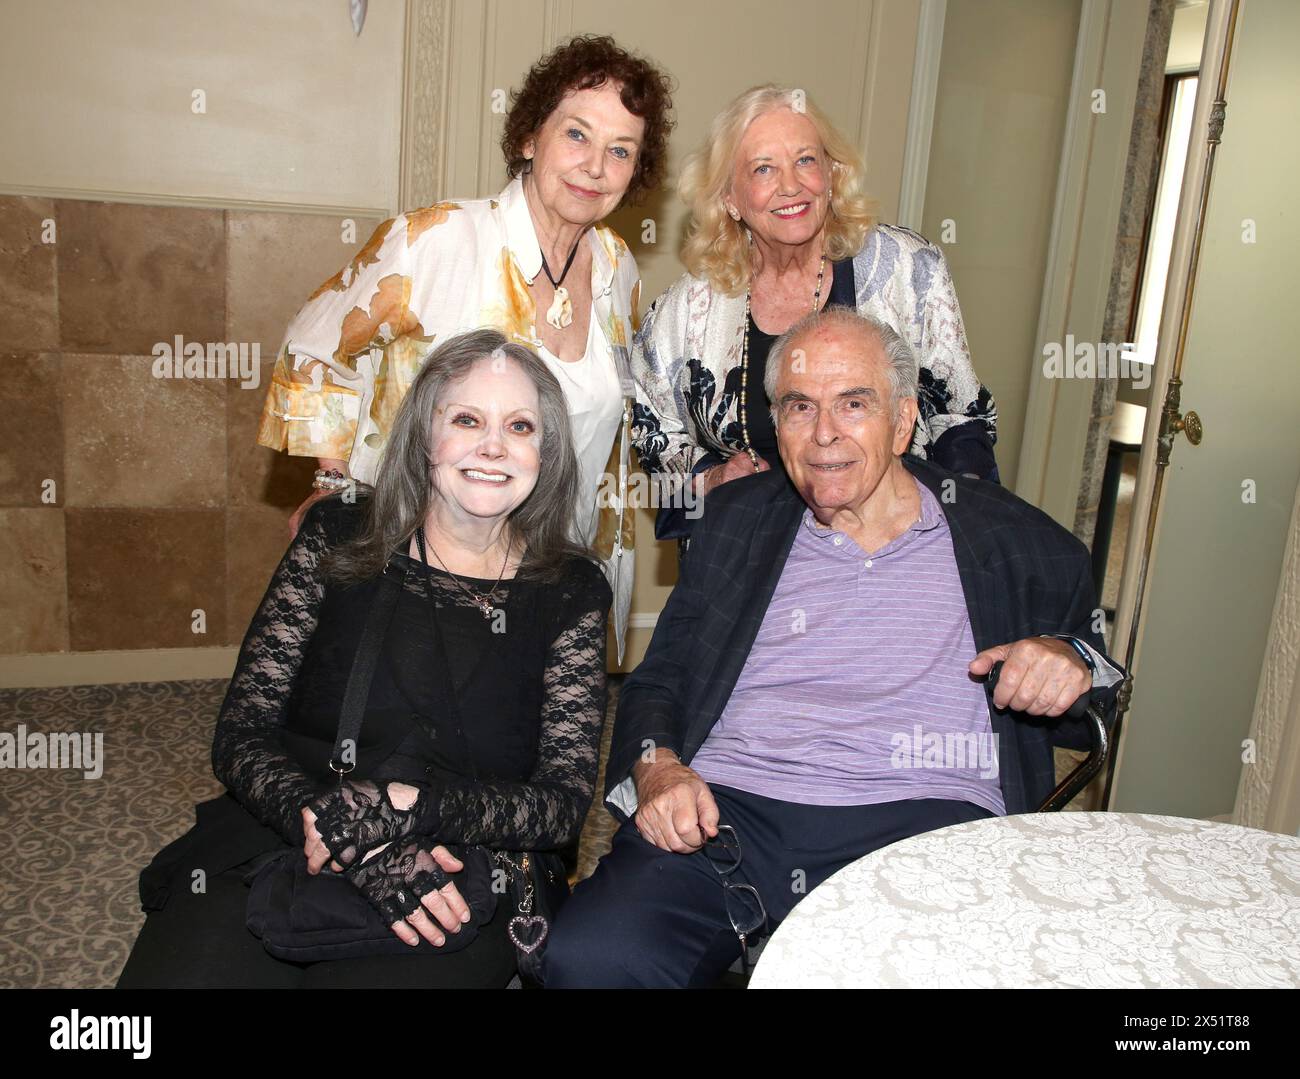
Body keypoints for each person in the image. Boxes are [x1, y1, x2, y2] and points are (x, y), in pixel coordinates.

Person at [545, 308, 1124, 988]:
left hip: (925, 821)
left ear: (904, 421)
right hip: (730, 814)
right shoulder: (736, 523)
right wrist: (660, 768)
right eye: (799, 407)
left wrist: (1073, 660)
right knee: (592, 956)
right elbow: (654, 681)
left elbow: (1103, 679)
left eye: (854, 403)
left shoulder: (1016, 540)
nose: (824, 435)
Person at [118, 330, 612, 988]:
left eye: (520, 425)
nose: (493, 446)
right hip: (288, 823)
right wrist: (342, 829)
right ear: (424, 434)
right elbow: (240, 732)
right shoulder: (339, 534)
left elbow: (558, 807)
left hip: (461, 859)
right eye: (466, 418)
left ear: (544, 452)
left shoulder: (572, 590)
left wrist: (406, 810)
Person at [257, 35, 672, 660]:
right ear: (530, 137)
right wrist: (332, 484)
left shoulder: (619, 270)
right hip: (417, 559)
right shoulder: (439, 238)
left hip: (552, 571)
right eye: (577, 135)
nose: (595, 166)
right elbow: (315, 347)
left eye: (621, 150)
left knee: (520, 744)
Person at [631, 85, 998, 543]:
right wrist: (712, 480)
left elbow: (960, 419)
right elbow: (653, 433)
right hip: (746, 558)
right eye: (763, 168)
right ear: (730, 198)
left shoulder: (907, 268)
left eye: (805, 160)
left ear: (832, 173)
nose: (791, 185)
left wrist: (961, 542)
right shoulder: (684, 310)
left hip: (898, 547)